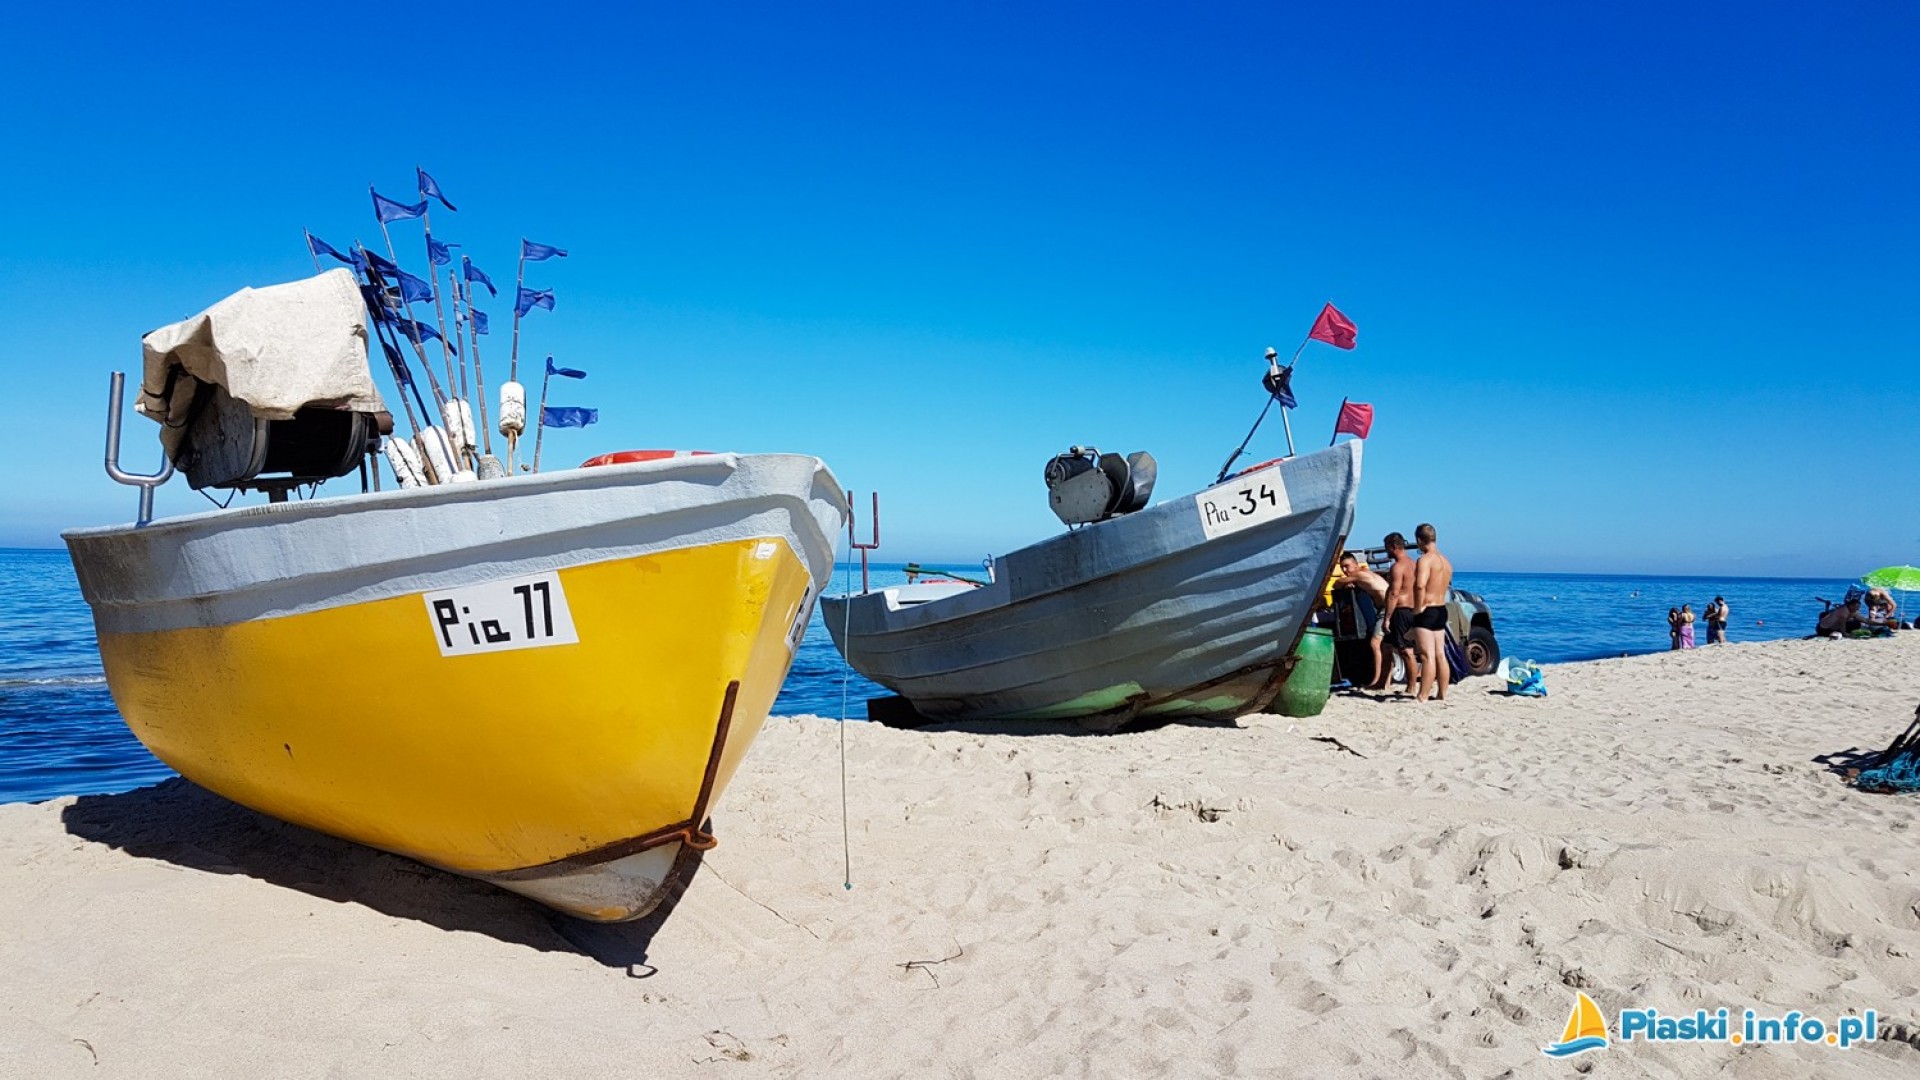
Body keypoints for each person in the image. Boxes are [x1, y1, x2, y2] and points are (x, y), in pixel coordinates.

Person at [1330, 551, 1391, 690]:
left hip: (1387, 609)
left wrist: (1347, 582)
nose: (1345, 571)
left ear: (1356, 565)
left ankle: (1376, 681)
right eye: (1342, 568)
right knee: (1386, 647)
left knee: (1375, 644)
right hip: (1387, 609)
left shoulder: (1358, 574)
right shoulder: (1364, 575)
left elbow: (1336, 583)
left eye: (1347, 566)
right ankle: (1385, 682)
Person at [1411, 523, 1453, 702]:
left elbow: (1420, 585)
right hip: (1441, 608)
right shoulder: (1446, 561)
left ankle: (1423, 694)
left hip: (1427, 608)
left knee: (1427, 655)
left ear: (1420, 540)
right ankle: (1442, 693)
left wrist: (1418, 607)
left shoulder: (1425, 560)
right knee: (1440, 654)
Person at [1380, 532, 1419, 695]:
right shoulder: (1414, 564)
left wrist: (1387, 618)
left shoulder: (1398, 566)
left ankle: (1411, 686)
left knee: (1405, 650)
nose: (1386, 551)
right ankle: (1384, 683)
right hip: (1412, 608)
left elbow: (1394, 593)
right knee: (1386, 646)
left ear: (1393, 547)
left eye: (1387, 548)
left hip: (1401, 610)